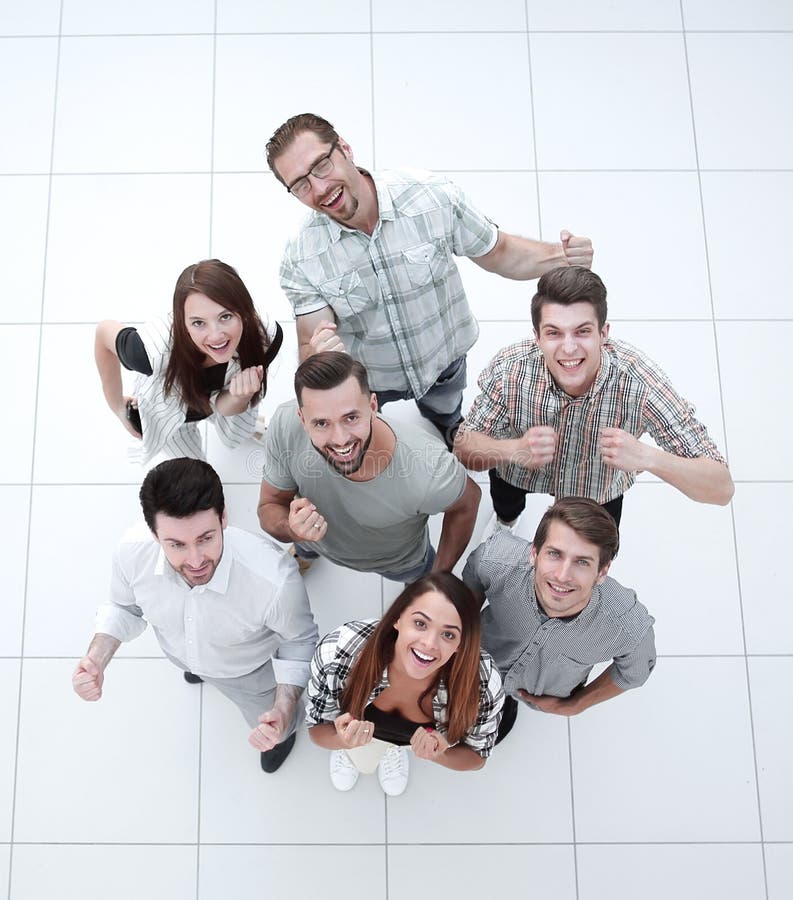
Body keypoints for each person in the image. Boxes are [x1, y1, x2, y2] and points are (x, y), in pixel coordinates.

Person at [265, 112, 593, 449]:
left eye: (321, 165)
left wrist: (561, 257)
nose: (319, 188)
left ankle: (446, 422)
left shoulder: (431, 197)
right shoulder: (301, 257)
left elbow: (500, 252)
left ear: (345, 149)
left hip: (443, 362)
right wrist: (316, 353)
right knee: (373, 432)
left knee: (446, 406)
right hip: (371, 378)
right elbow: (310, 341)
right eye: (301, 185)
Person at [71, 458, 318, 773]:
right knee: (192, 664)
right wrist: (97, 657)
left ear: (224, 516)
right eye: (176, 544)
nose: (196, 559)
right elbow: (125, 606)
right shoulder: (131, 552)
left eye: (206, 538)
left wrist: (282, 711)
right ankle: (198, 668)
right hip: (179, 651)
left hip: (250, 673)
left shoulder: (274, 581)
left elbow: (300, 642)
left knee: (272, 718)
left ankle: (284, 737)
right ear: (153, 532)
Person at [454, 266, 734, 530]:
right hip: (519, 473)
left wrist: (648, 458)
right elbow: (464, 446)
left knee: (595, 543)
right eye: (553, 333)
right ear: (537, 338)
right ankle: (506, 523)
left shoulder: (640, 383)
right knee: (506, 503)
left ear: (604, 334)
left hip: (598, 489)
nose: (568, 348)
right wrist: (513, 450)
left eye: (582, 331)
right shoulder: (510, 369)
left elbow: (721, 488)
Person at [257, 352, 481, 581]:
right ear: (303, 419)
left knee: (419, 580)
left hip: (399, 564)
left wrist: (438, 578)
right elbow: (270, 504)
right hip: (313, 542)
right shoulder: (286, 424)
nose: (340, 439)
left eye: (351, 418)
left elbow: (468, 502)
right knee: (305, 548)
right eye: (322, 423)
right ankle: (305, 555)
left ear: (373, 406)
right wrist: (292, 529)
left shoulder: (429, 468)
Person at [463, 497, 656, 742]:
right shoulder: (493, 560)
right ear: (534, 553)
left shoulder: (625, 626)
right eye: (554, 554)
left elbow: (635, 671)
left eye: (582, 562)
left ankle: (506, 703)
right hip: (477, 666)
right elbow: (466, 596)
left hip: (539, 691)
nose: (562, 576)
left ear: (602, 572)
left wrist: (577, 704)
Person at [305, 572, 504, 795]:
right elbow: (317, 728)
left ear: (460, 643)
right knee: (362, 759)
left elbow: (477, 756)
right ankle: (352, 751)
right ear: (398, 618)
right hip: (357, 733)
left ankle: (396, 749)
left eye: (448, 635)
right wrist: (341, 740)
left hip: (412, 740)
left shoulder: (483, 683)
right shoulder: (338, 652)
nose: (429, 643)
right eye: (420, 623)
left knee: (393, 748)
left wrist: (440, 754)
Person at [95, 259, 283, 463]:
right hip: (170, 408)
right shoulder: (148, 352)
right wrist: (117, 408)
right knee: (194, 472)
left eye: (225, 316)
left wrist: (240, 398)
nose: (216, 336)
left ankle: (252, 426)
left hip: (227, 394)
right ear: (182, 323)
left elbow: (222, 404)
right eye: (198, 323)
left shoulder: (265, 337)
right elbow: (103, 332)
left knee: (239, 432)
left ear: (244, 311)